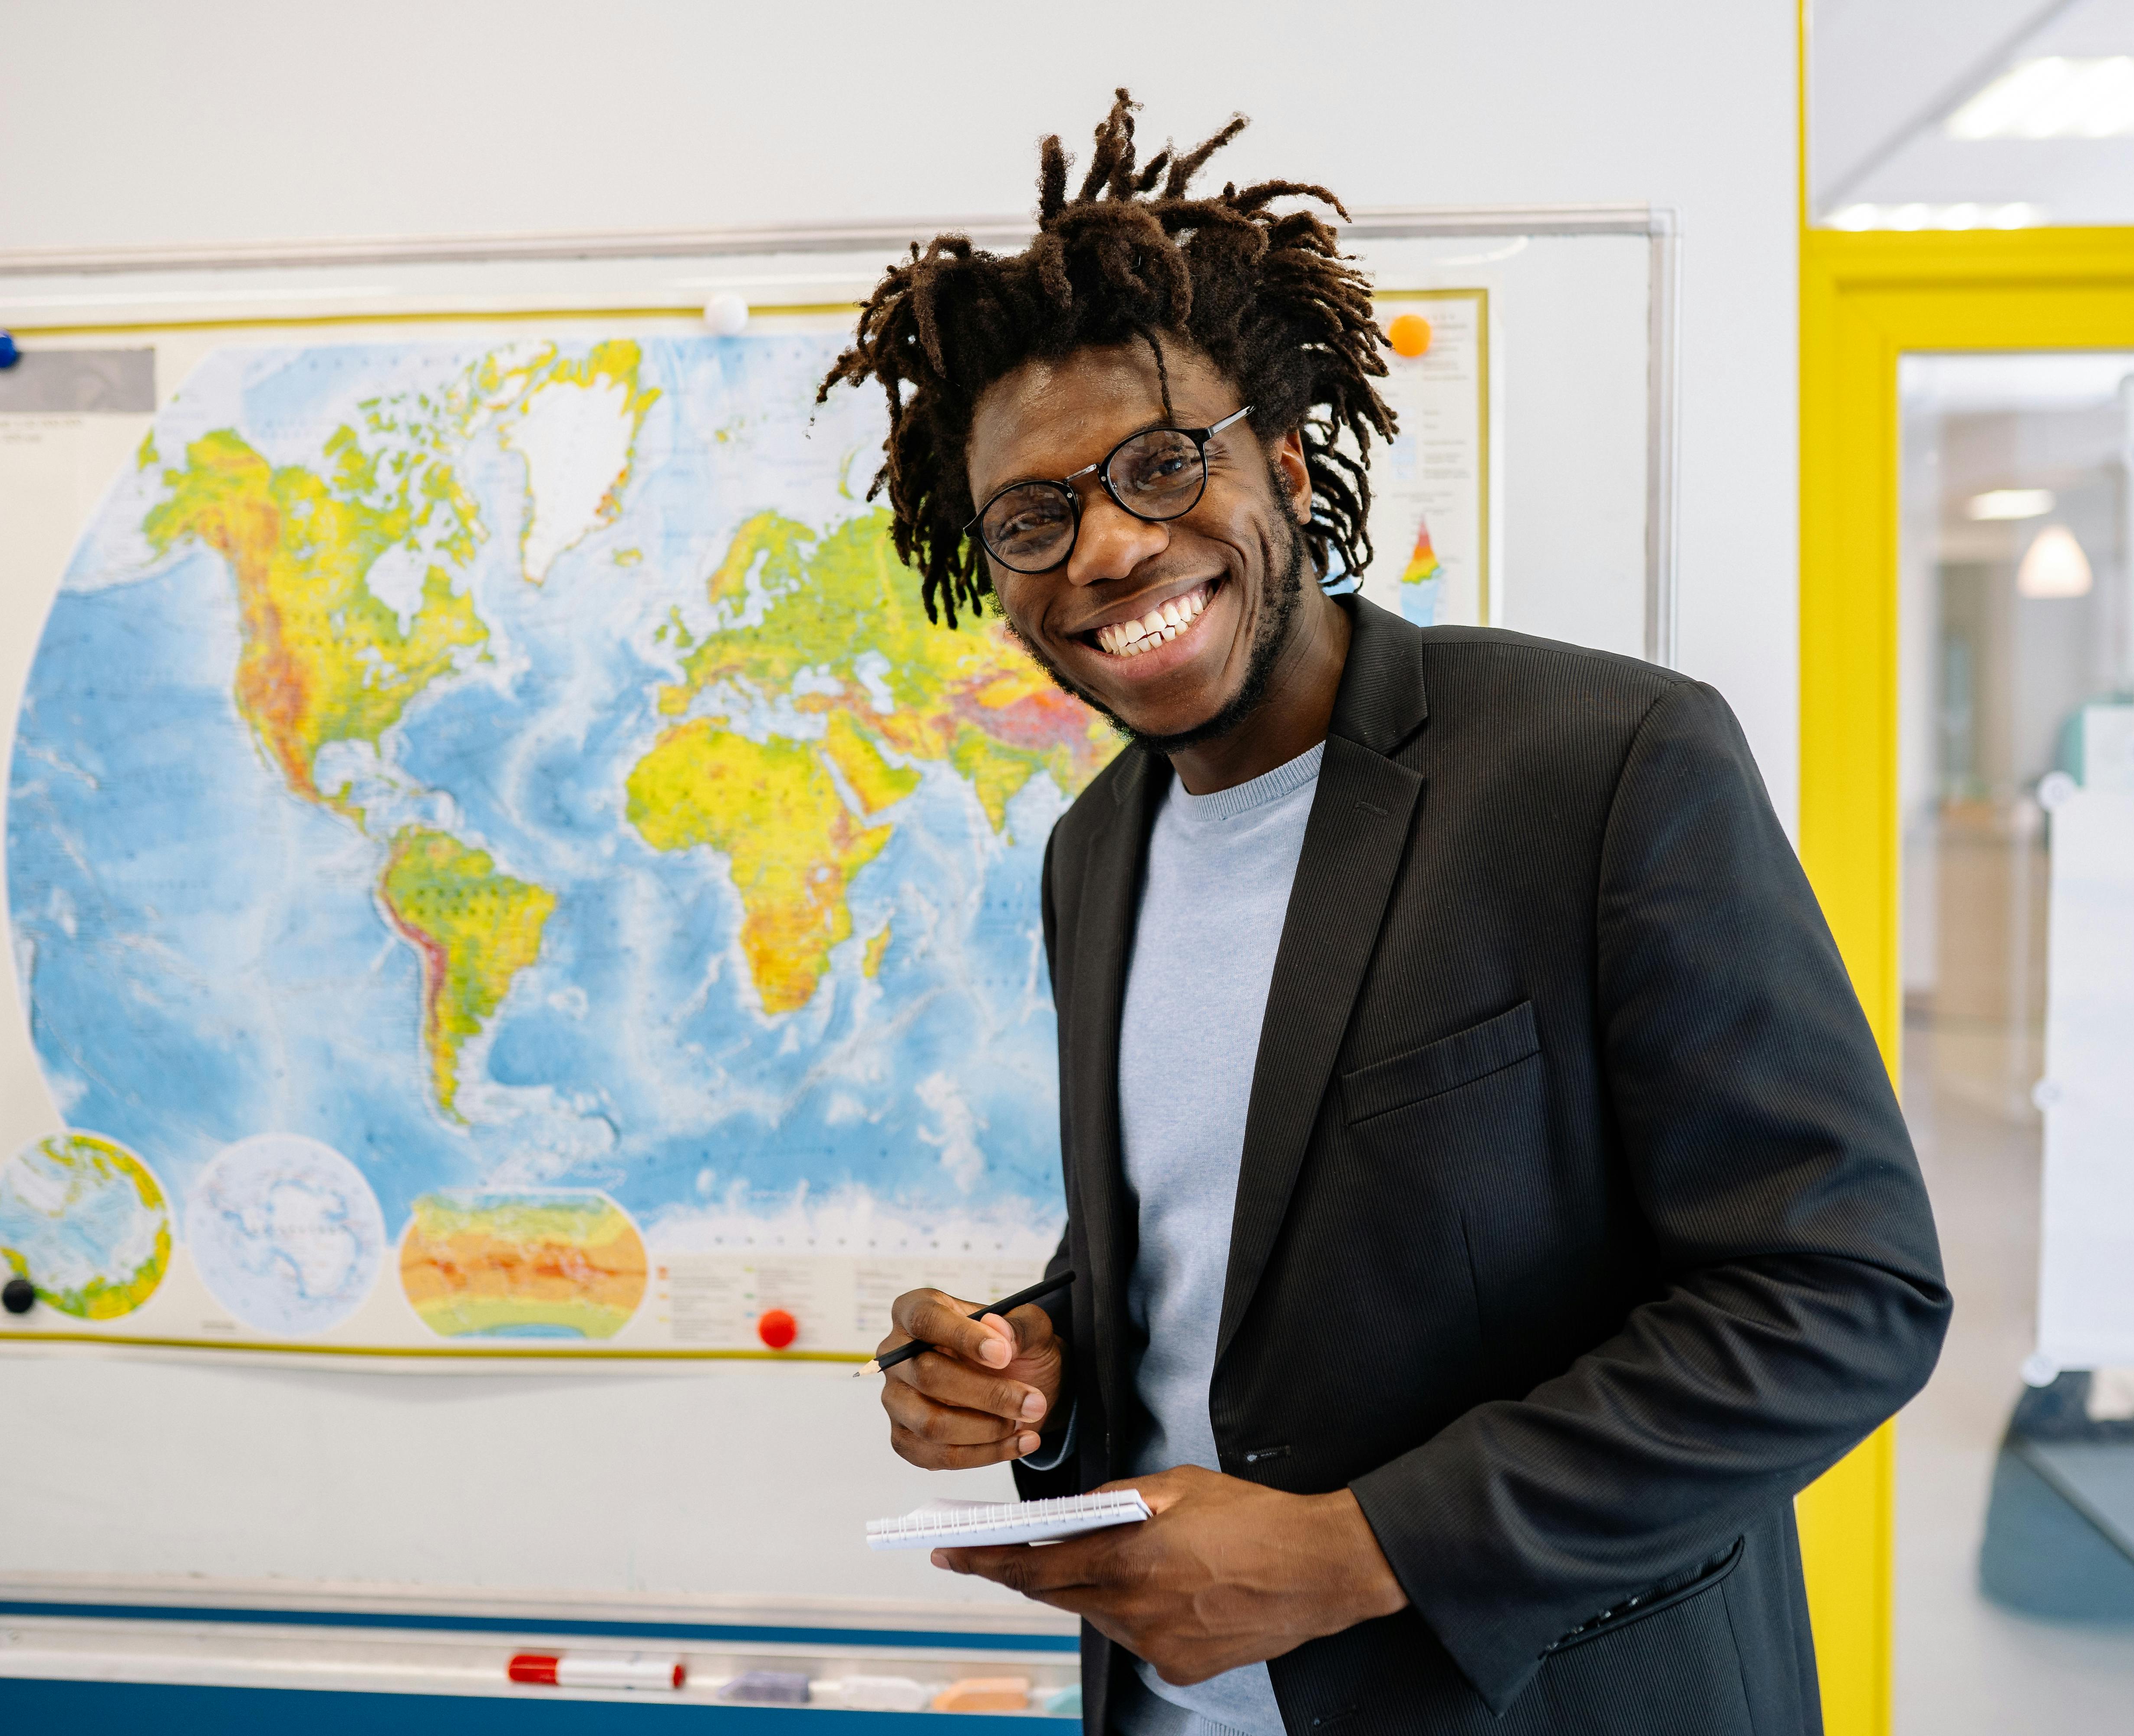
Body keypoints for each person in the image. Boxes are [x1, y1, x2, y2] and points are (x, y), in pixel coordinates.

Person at [829, 91, 1950, 1736]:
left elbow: (1842, 1296)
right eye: (1035, 518)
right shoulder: (1093, 856)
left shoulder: (1606, 760)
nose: (1112, 548)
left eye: (1159, 466)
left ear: (1285, 465)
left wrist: (1365, 1550)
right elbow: (1231, 1245)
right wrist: (1034, 1359)